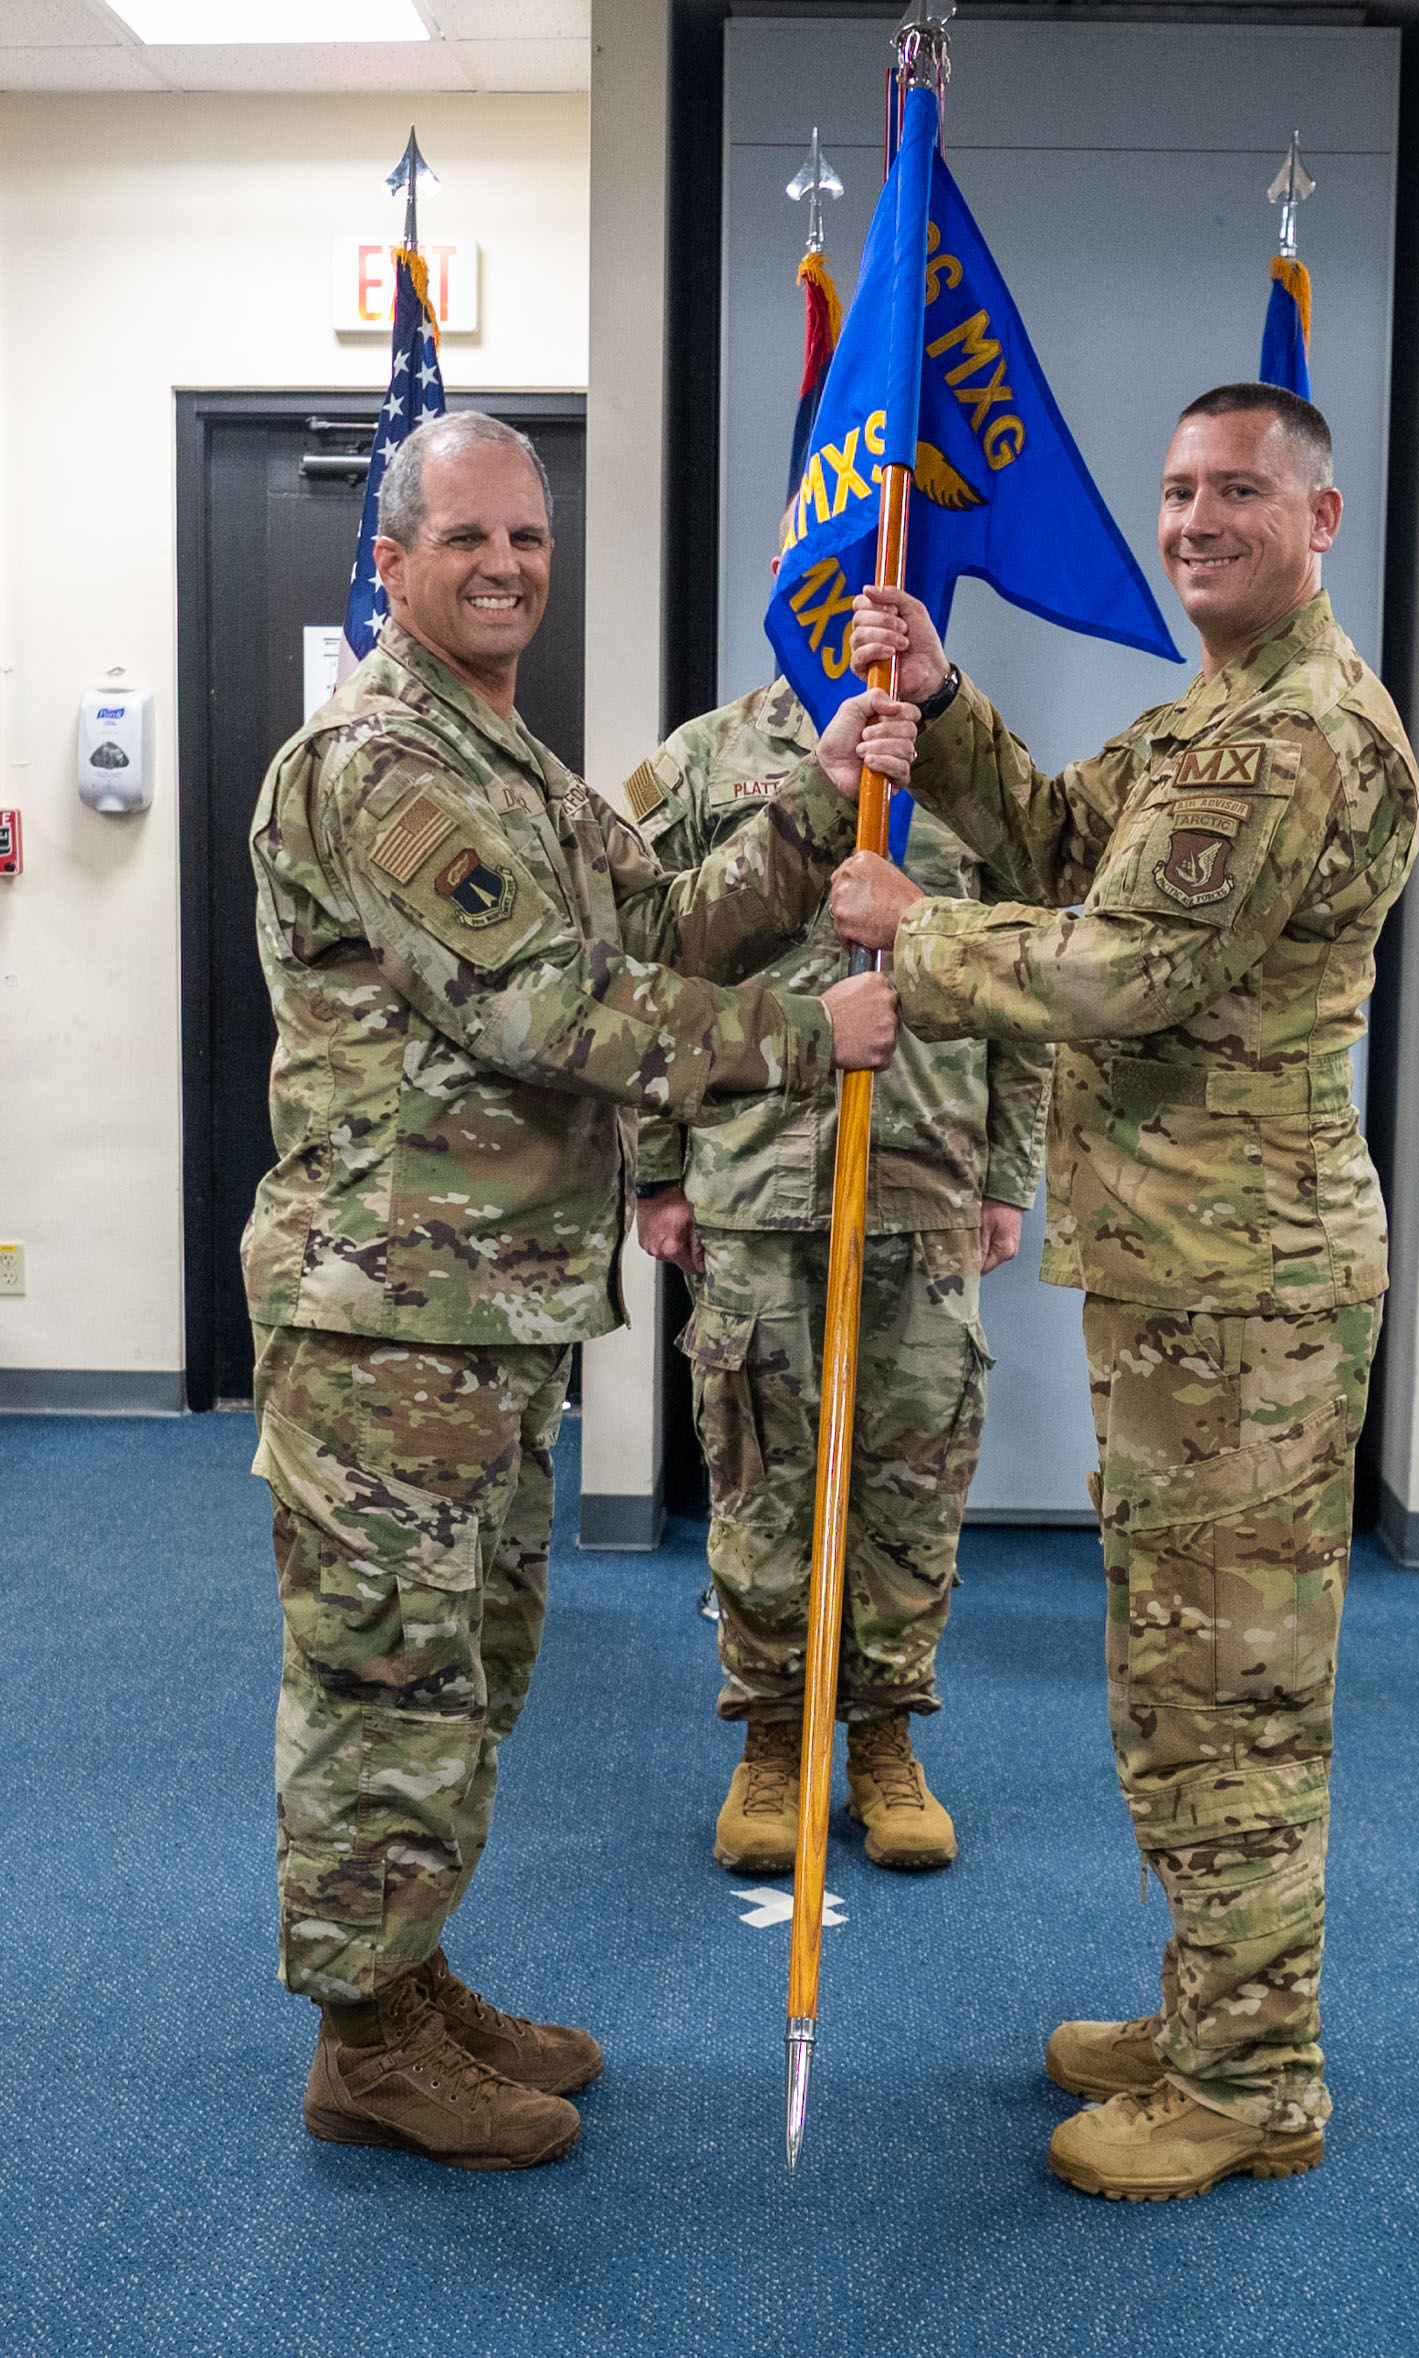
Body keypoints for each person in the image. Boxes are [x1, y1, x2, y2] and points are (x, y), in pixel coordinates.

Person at [243, 411, 915, 2171]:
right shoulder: (383, 759)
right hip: (387, 1314)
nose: (505, 565)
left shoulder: (517, 759)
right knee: (388, 1677)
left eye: (526, 537)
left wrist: (812, 787)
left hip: (492, 1309)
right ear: (391, 561)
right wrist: (801, 1033)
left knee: (468, 1666)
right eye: (465, 537)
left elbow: (666, 925)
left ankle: (407, 1968)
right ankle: (362, 2037)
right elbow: (538, 1011)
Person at [832, 382, 1419, 2202]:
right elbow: (1076, 839)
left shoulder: (1295, 734)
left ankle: (1255, 2077)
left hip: (1241, 1294)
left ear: (1318, 520)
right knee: (1184, 1671)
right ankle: (1213, 2011)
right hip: (1193, 1273)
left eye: (1234, 491)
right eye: (1175, 490)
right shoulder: (1215, 716)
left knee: (1228, 1690)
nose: (1191, 521)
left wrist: (904, 934)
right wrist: (943, 705)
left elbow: (1130, 969)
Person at [625, 671, 1049, 1875]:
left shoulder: (965, 770)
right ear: (790, 572)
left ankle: (884, 1744)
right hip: (753, 1185)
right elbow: (651, 968)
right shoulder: (708, 762)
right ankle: (770, 1739)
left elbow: (1019, 984)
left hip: (926, 1182)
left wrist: (1010, 1175)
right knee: (761, 1476)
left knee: (912, 1486)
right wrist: (656, 1172)